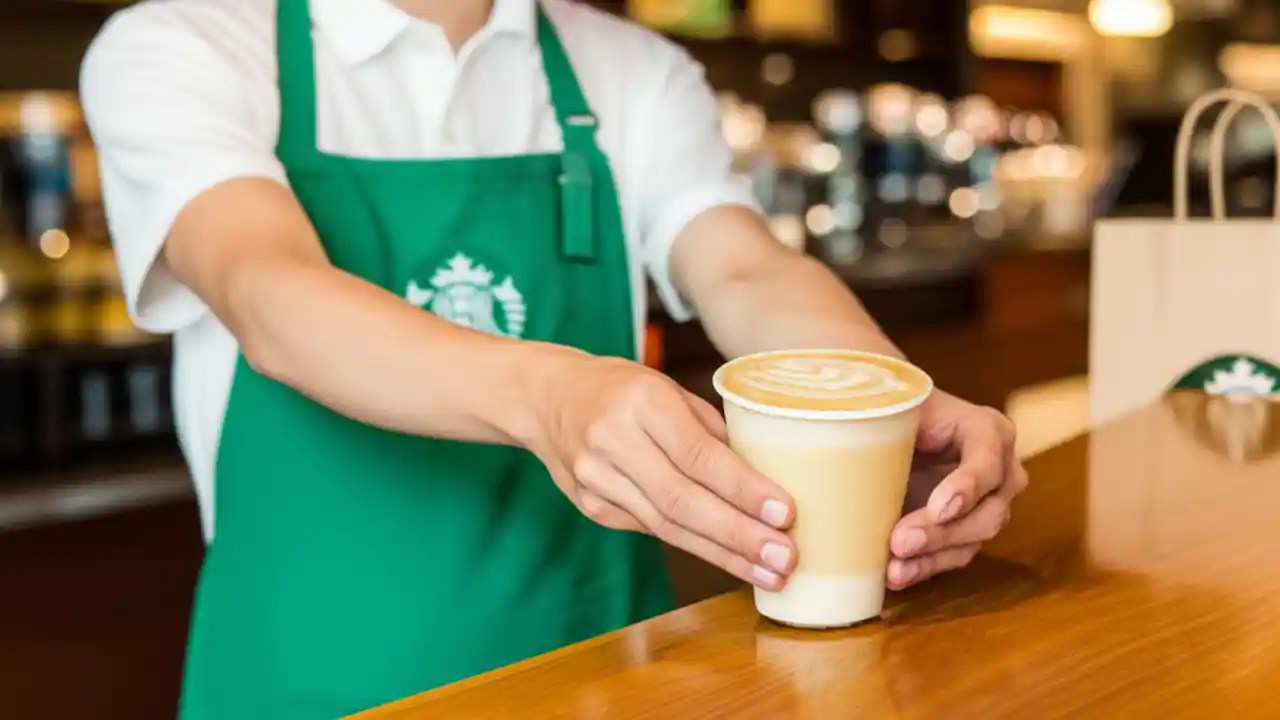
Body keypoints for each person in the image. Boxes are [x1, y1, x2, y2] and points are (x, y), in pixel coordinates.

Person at [80, 0, 1029, 716]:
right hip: (309, 681)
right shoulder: (182, 45)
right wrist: (551, 394)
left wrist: (886, 397)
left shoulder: (630, 70)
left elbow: (742, 267)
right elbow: (268, 293)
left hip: (604, 679)